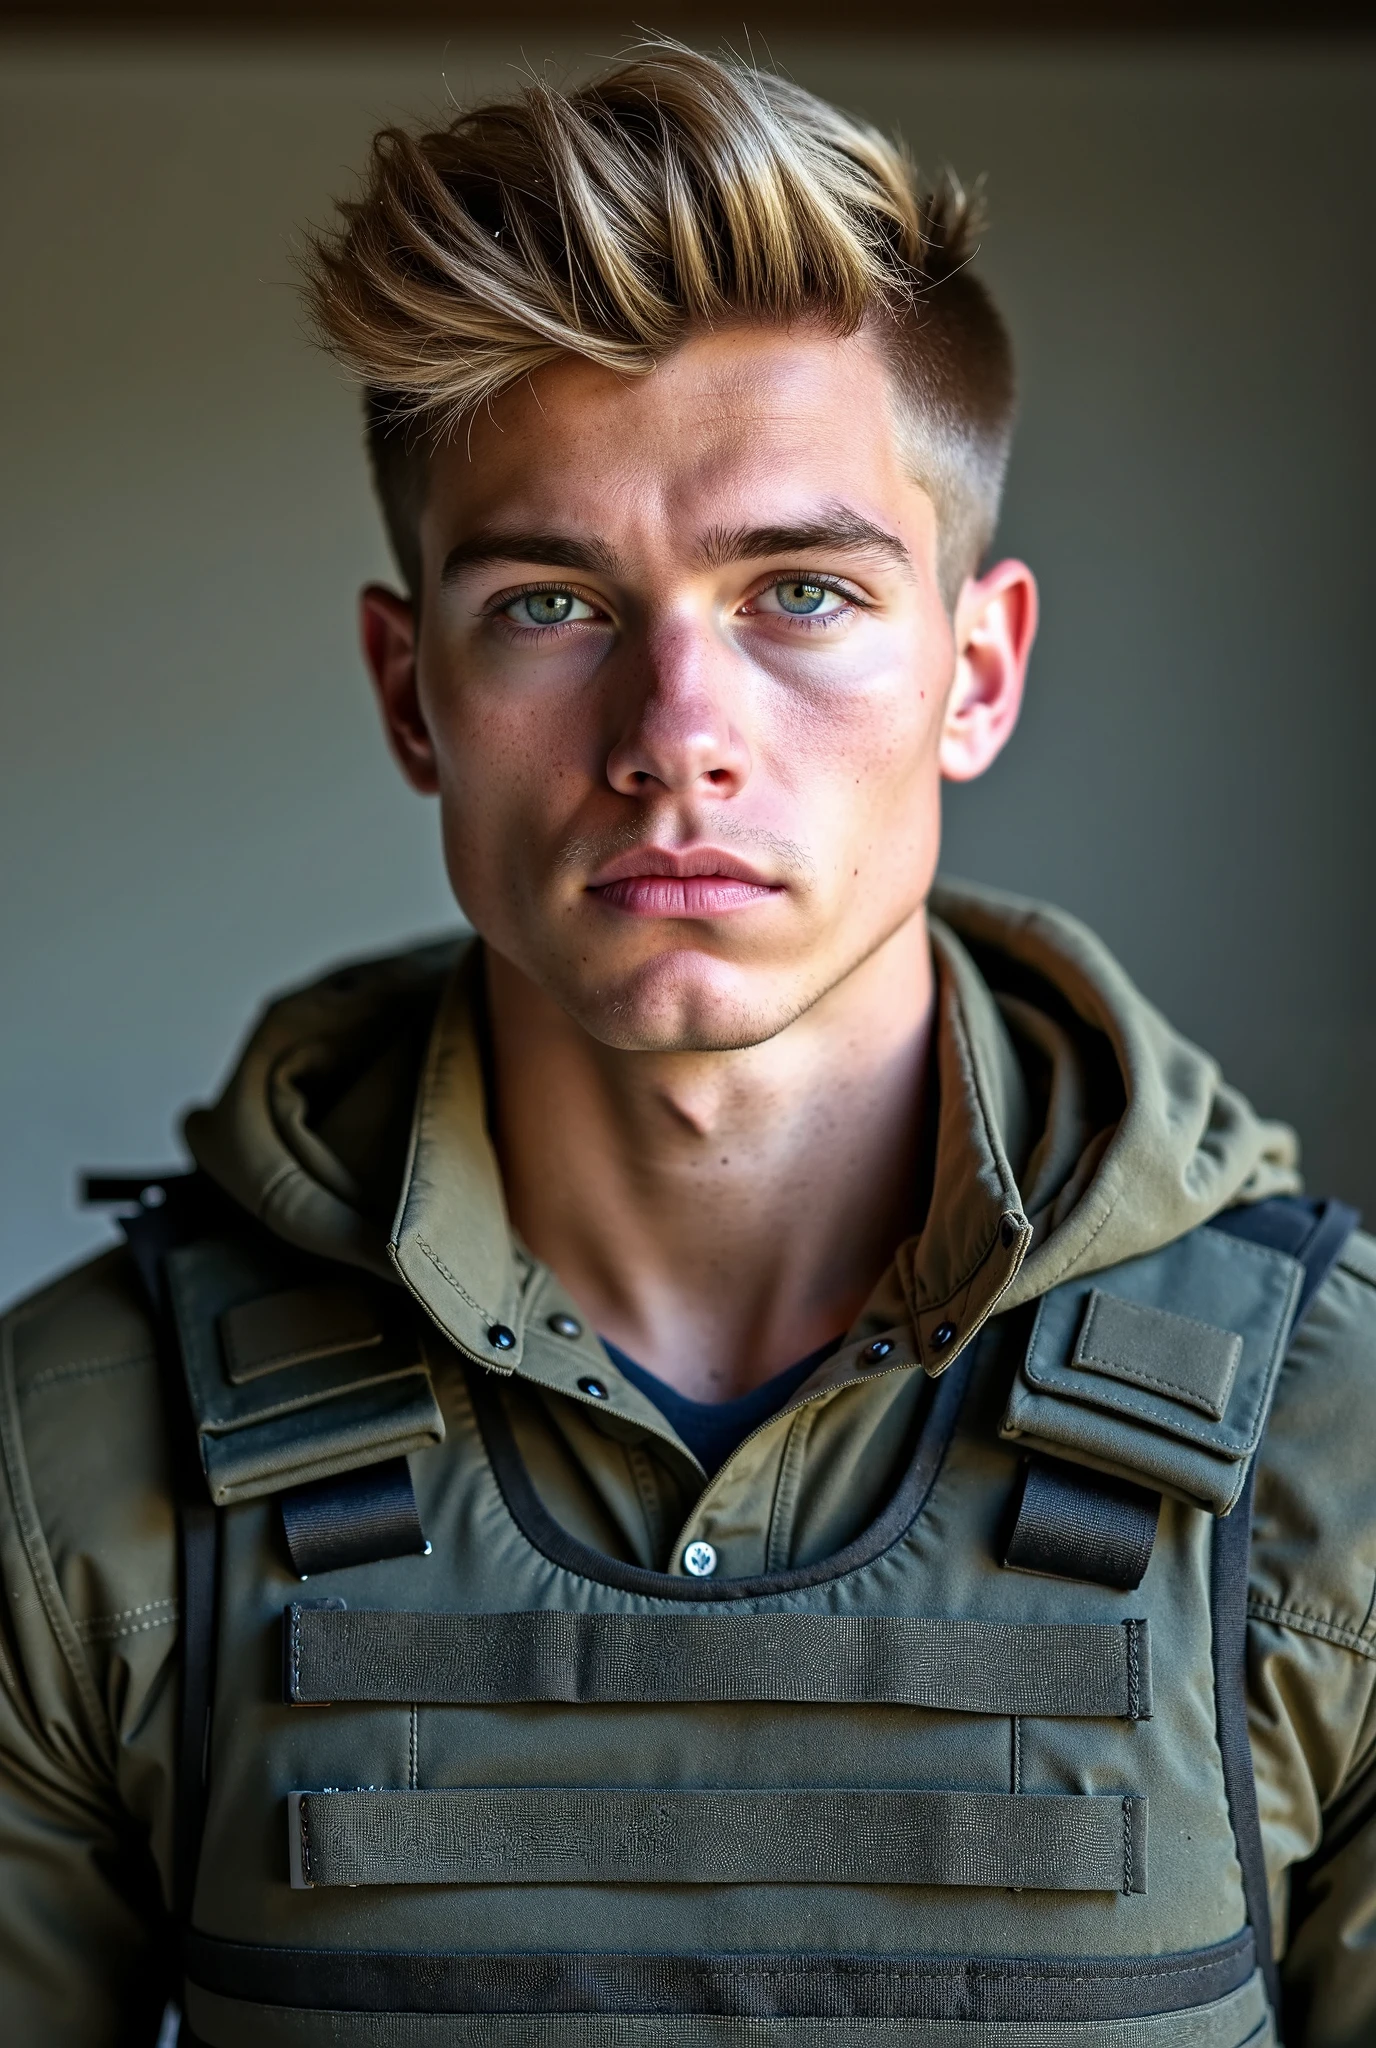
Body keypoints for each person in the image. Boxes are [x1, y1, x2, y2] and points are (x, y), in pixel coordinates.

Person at [0, 41, 1372, 2048]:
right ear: (413, 696)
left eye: (800, 593)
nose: (675, 734)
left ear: (972, 673)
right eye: (553, 604)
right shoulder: (75, 1459)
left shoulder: (1334, 1451)